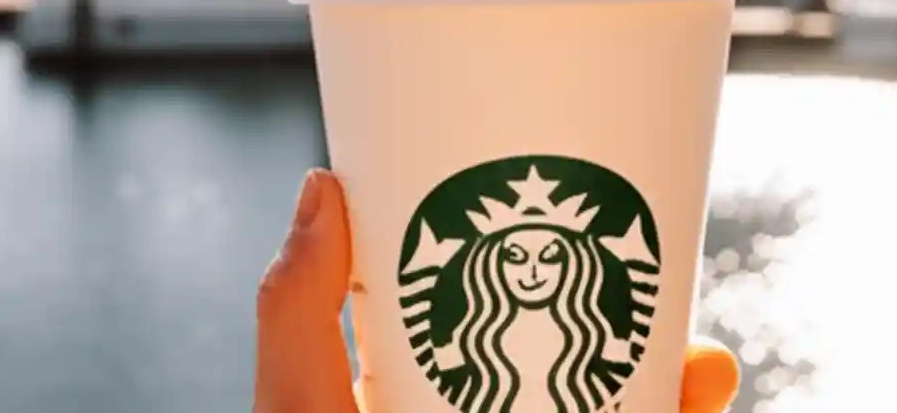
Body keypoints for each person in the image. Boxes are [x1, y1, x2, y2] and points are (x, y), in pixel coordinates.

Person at [255, 169, 741, 413]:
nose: (532, 272)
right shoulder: (466, 347)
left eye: (549, 257)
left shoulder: (600, 344)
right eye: (514, 257)